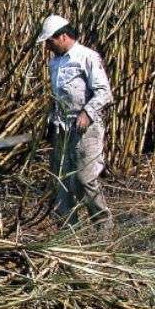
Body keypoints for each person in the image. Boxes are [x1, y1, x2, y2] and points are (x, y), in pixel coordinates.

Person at [36, 15, 114, 229]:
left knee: (84, 179)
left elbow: (104, 93)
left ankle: (104, 228)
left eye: (50, 41)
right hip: (62, 127)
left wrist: (87, 113)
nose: (47, 47)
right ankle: (68, 232)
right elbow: (57, 96)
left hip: (87, 128)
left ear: (62, 37)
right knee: (61, 181)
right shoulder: (54, 63)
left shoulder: (87, 57)